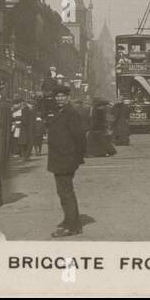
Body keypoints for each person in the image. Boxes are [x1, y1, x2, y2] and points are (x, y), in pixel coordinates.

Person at [47, 86, 87, 237]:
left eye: (63, 96)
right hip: (59, 158)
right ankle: (69, 220)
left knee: (66, 192)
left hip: (66, 158)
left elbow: (80, 137)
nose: (59, 99)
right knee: (62, 192)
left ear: (68, 97)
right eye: (57, 96)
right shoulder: (60, 112)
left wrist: (76, 158)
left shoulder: (71, 114)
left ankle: (72, 226)